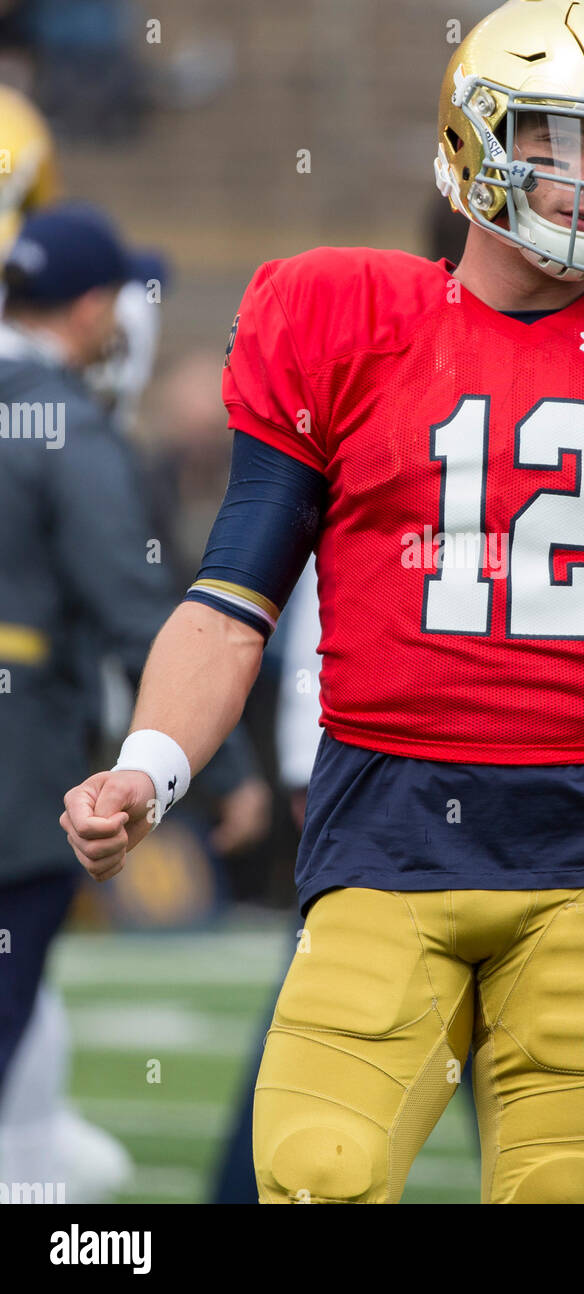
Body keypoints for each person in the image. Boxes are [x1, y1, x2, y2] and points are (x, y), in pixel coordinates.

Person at [62, 0, 584, 1205]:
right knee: (315, 1181)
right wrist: (151, 765)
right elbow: (233, 594)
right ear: (476, 138)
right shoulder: (345, 315)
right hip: (384, 832)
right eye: (563, 142)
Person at [0, 202, 266, 1187]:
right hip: (15, 772)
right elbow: (139, 609)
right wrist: (223, 764)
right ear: (92, 304)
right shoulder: (66, 426)